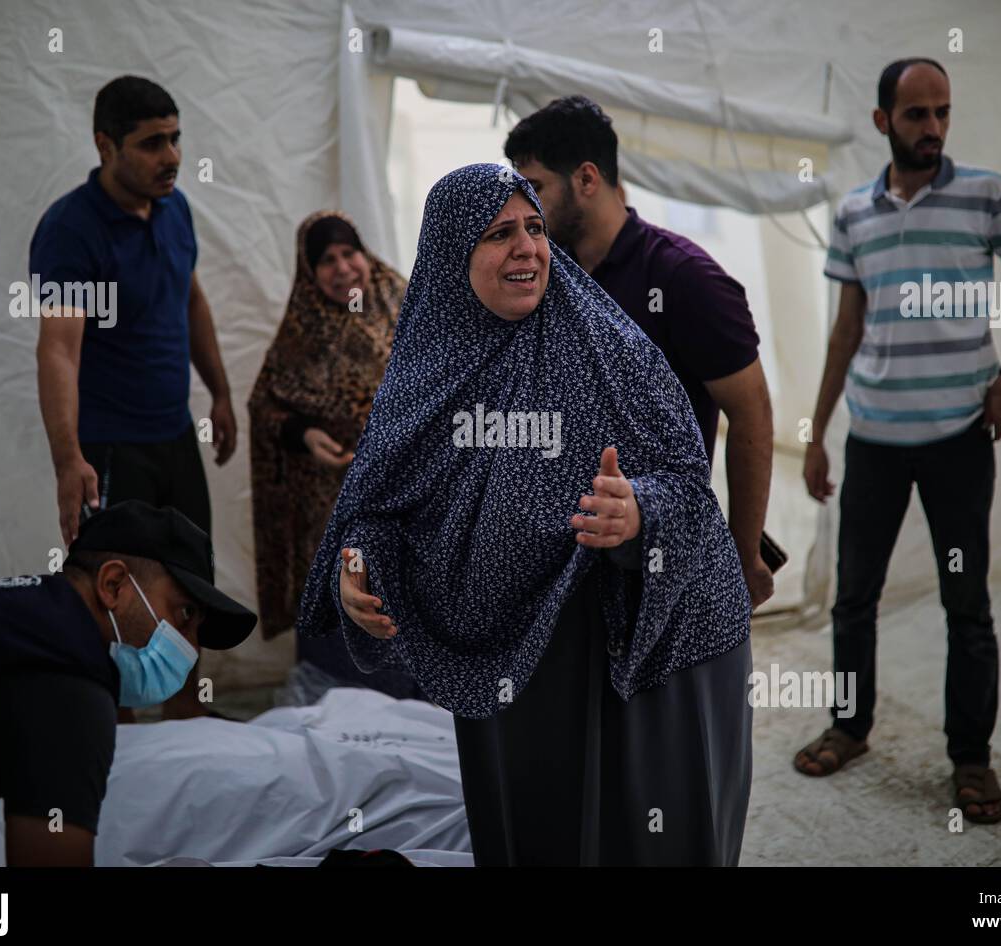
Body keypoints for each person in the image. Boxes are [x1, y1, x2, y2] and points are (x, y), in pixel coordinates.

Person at [295, 164, 754, 865]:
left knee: (640, 837)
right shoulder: (426, 368)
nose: (528, 249)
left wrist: (638, 516)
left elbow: (691, 492)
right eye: (500, 233)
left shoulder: (611, 350)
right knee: (538, 830)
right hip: (510, 661)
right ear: (453, 255)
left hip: (645, 649)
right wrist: (358, 564)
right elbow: (380, 500)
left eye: (536, 228)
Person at [795, 58, 1001, 823]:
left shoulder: (987, 194)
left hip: (957, 437)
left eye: (942, 111)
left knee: (966, 605)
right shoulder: (853, 213)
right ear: (883, 121)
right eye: (916, 115)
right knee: (854, 599)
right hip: (873, 437)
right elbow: (847, 327)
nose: (933, 128)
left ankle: (971, 760)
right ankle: (850, 727)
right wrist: (816, 434)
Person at [0, 500, 257, 866]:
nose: (189, 648)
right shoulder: (69, 683)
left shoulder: (14, 628)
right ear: (113, 585)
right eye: (184, 613)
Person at [505, 95, 775, 609]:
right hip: (563, 559)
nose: (523, 208)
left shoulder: (684, 278)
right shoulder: (543, 275)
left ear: (586, 179)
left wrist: (742, 554)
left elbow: (751, 411)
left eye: (535, 188)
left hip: (658, 553)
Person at [32, 76, 239, 720]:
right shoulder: (72, 229)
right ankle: (109, 736)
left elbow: (190, 297)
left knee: (187, 590)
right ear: (105, 145)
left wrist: (222, 394)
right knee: (111, 597)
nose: (171, 157)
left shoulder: (174, 208)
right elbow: (59, 349)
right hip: (110, 441)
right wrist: (69, 459)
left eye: (175, 139)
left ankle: (185, 726)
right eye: (152, 144)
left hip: (173, 432)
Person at [248, 211, 420, 700]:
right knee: (343, 603)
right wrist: (304, 436)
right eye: (327, 260)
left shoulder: (404, 302)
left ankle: (408, 708)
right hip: (331, 503)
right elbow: (266, 407)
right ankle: (337, 707)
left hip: (405, 495)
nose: (343, 268)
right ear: (309, 272)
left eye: (350, 253)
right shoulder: (301, 331)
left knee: (401, 607)